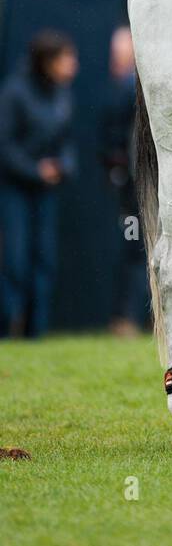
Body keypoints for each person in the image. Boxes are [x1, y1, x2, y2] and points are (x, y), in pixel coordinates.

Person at [0, 30, 78, 337]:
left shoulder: (62, 94)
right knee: (15, 260)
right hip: (14, 189)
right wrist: (35, 170)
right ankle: (6, 330)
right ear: (47, 61)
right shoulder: (14, 93)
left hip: (46, 192)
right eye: (66, 58)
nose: (72, 65)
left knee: (43, 259)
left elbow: (66, 141)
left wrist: (63, 166)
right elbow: (4, 145)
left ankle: (37, 334)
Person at [101, 25, 146, 336]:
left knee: (143, 250)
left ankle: (136, 319)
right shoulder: (122, 89)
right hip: (135, 187)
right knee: (136, 249)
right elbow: (112, 142)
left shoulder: (134, 86)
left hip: (146, 185)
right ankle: (127, 319)